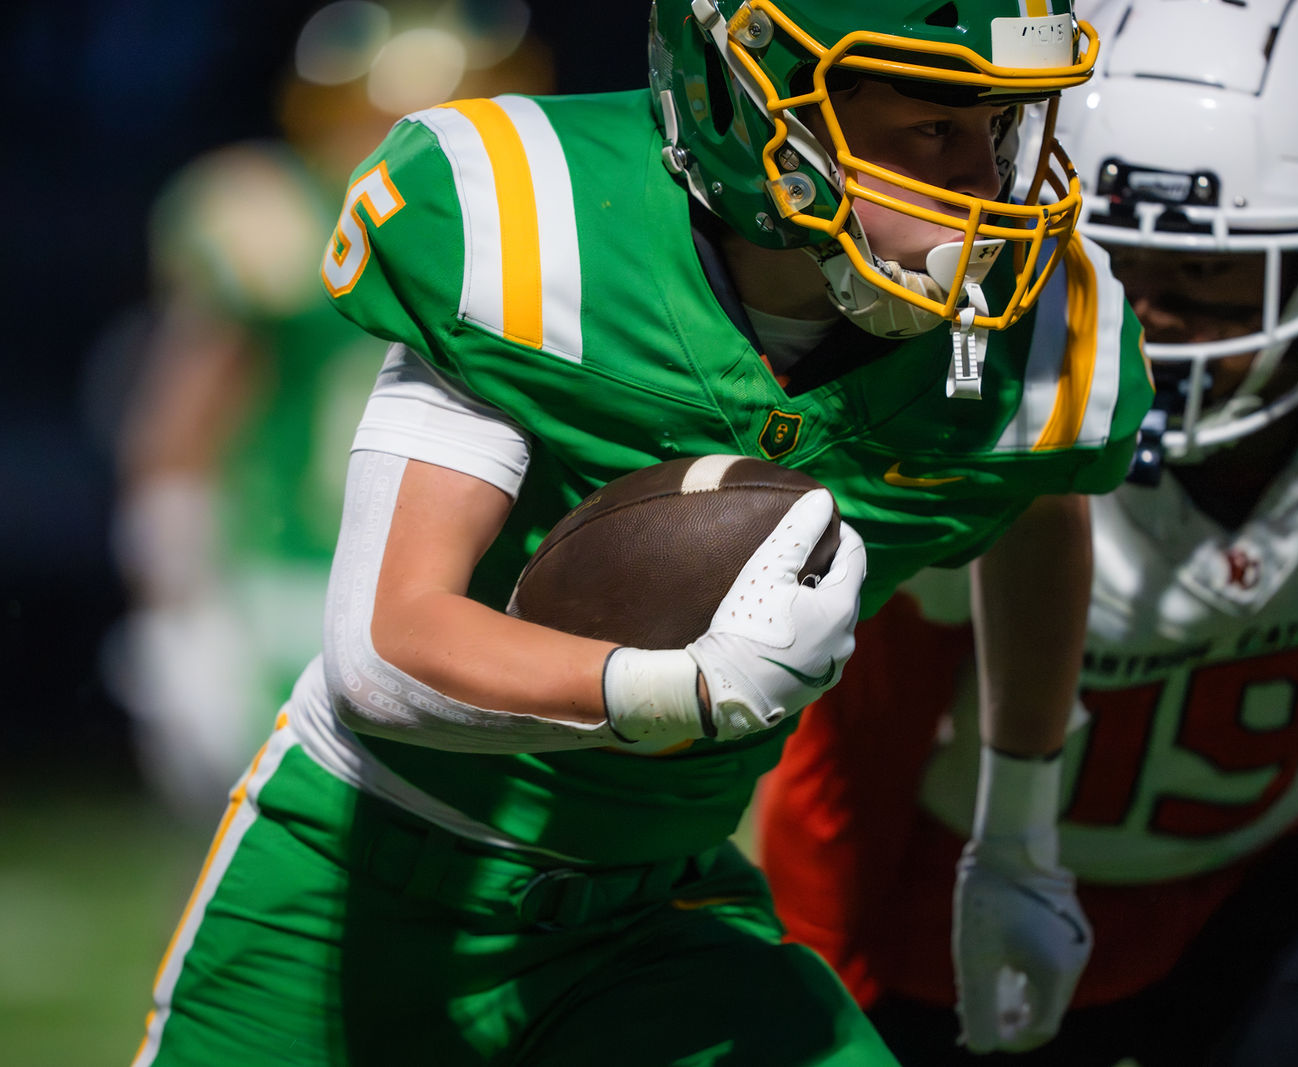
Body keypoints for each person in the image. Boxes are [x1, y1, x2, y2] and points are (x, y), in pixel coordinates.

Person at [131, 1, 1154, 1063]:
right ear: (751, 104)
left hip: (649, 914)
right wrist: (679, 688)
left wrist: (1018, 838)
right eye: (931, 131)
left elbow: (1037, 495)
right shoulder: (539, 231)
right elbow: (384, 650)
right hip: (358, 880)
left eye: (1000, 131)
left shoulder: (1038, 340)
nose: (983, 189)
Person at [756, 0, 1298, 1063]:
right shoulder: (964, 387)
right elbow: (853, 757)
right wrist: (817, 984)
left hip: (1286, 869)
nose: (1143, 320)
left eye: (1202, 275)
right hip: (962, 882)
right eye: (1107, 264)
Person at [105, 0, 555, 818]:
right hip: (287, 592)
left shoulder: (533, 247)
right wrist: (178, 611)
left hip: (462, 594)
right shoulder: (270, 220)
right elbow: (181, 429)